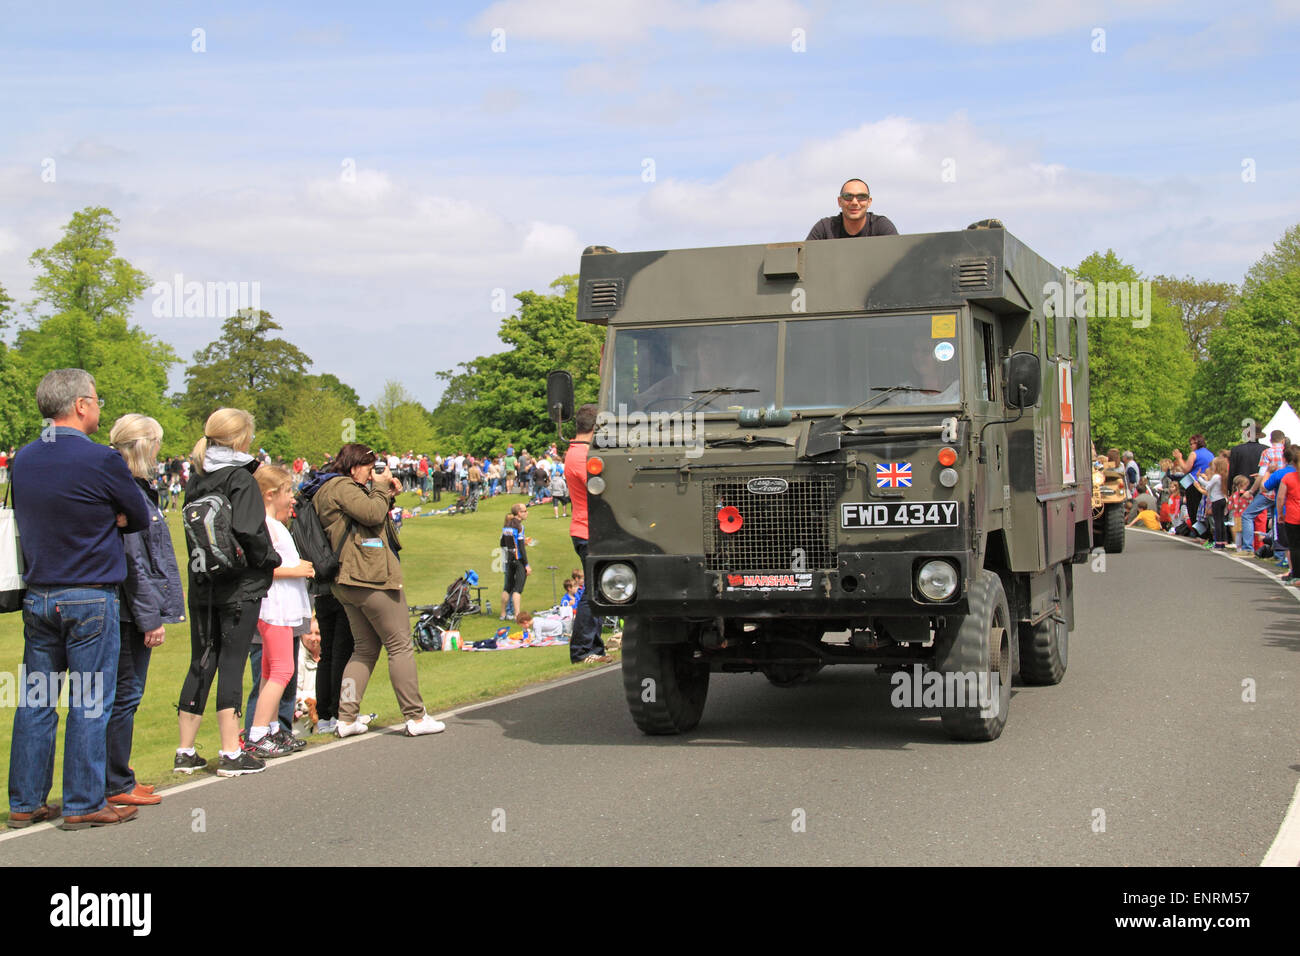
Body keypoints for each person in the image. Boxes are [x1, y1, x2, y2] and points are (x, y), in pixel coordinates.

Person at [8, 370, 151, 830]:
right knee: (91, 700)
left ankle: (26, 800)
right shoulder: (102, 460)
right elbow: (140, 515)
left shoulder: (24, 459)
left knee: (37, 701)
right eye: (97, 401)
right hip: (89, 591)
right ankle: (84, 801)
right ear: (82, 405)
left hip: (40, 592)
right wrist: (110, 519)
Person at [175, 408, 282, 779]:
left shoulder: (197, 477)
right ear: (241, 438)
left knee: (201, 660)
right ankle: (231, 752)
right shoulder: (240, 478)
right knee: (232, 662)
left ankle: (185, 750)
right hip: (240, 584)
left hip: (203, 581)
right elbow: (250, 531)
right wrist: (271, 558)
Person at [312, 443, 444, 737]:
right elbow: (372, 515)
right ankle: (416, 716)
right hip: (369, 577)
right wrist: (381, 489)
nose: (374, 474)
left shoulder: (330, 488)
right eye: (370, 468)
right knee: (399, 645)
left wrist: (385, 494)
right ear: (355, 465)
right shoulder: (343, 486)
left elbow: (367, 517)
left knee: (364, 649)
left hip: (347, 582)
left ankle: (345, 717)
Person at [106, 414, 184, 809]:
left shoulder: (133, 488)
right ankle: (116, 779)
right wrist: (150, 617)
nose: (158, 453)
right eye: (155, 444)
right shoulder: (129, 491)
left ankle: (118, 775)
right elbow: (133, 560)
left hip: (128, 605)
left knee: (122, 694)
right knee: (126, 694)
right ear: (143, 446)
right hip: (128, 609)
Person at [243, 465, 314, 759]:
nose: (292, 499)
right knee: (283, 670)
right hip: (275, 608)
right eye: (287, 492)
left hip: (280, 606)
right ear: (270, 495)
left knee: (271, 669)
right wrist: (298, 569)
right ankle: (258, 732)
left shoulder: (272, 525)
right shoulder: (267, 527)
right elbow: (262, 568)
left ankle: (271, 728)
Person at [565, 405, 612, 664]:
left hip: (585, 528)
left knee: (598, 591)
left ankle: (594, 647)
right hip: (588, 530)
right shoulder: (581, 455)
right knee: (593, 592)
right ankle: (582, 651)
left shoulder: (575, 452)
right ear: (595, 428)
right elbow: (600, 489)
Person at [806, 178, 898, 240]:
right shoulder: (824, 228)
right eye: (848, 196)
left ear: (869, 202)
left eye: (861, 196)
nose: (854, 202)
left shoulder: (882, 227)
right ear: (839, 201)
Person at [499, 502, 530, 620]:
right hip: (518, 559)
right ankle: (517, 615)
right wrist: (526, 564)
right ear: (519, 513)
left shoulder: (506, 526)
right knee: (518, 589)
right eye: (525, 511)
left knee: (507, 587)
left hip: (509, 559)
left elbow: (502, 543)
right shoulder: (519, 526)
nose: (527, 513)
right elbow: (521, 548)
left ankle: (503, 614)